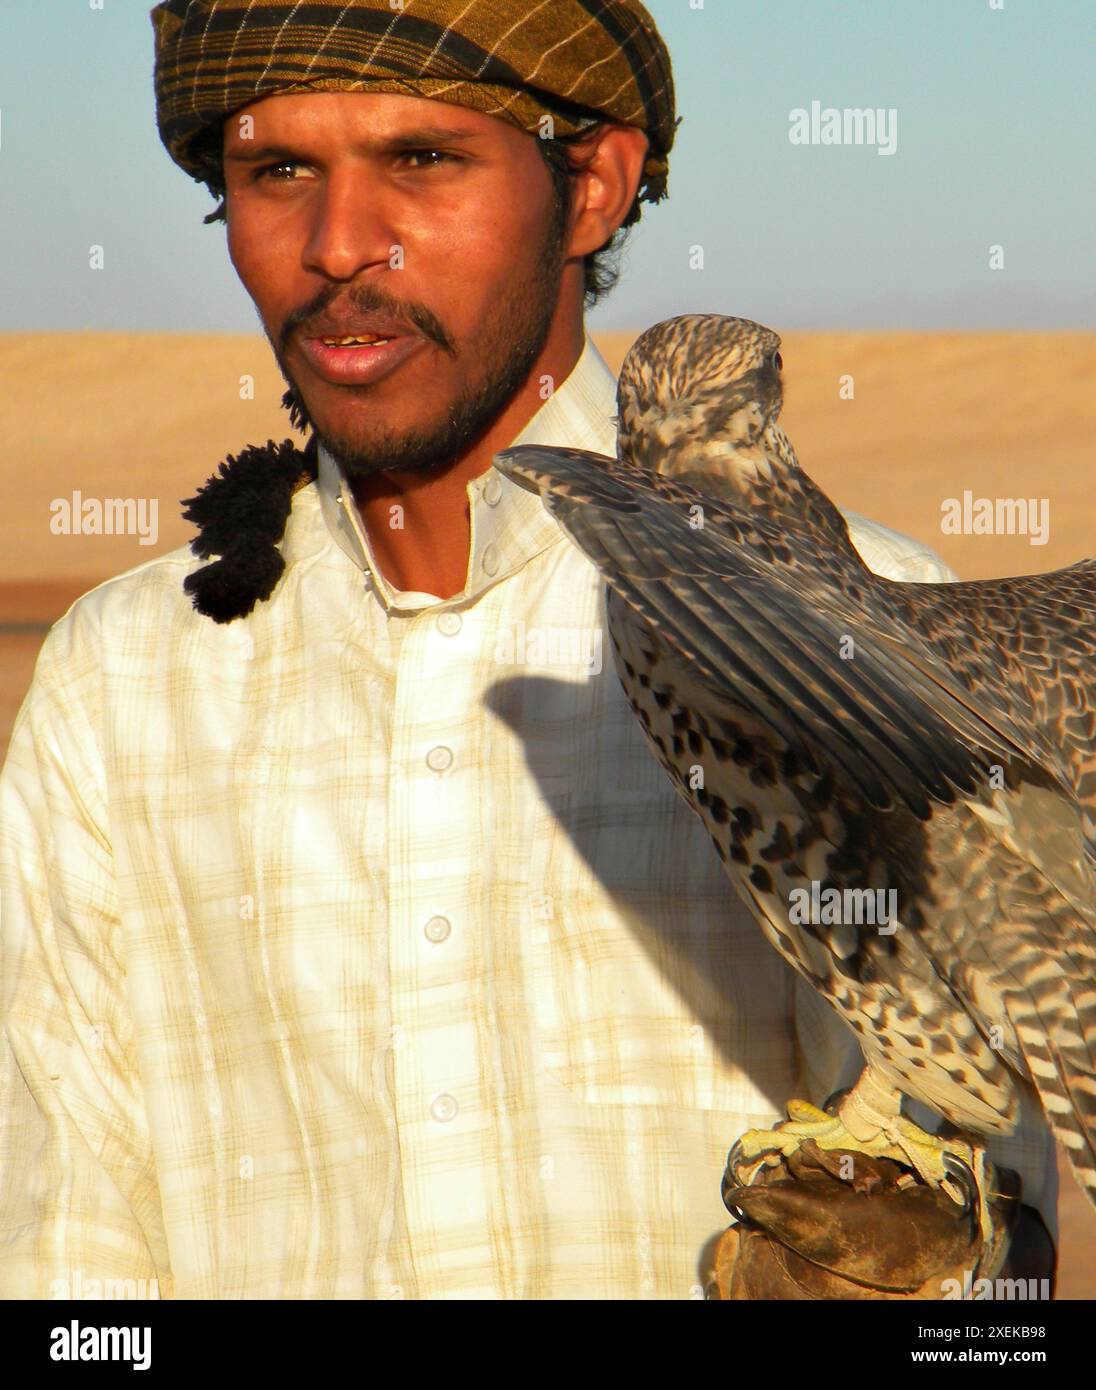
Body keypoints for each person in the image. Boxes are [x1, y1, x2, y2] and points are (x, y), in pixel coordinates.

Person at [0, 0, 1057, 1299]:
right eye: (278, 171)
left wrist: (926, 1265)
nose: (338, 246)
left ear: (596, 185)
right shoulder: (126, 682)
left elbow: (981, 1215)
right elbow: (65, 1257)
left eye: (423, 160)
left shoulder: (870, 614)